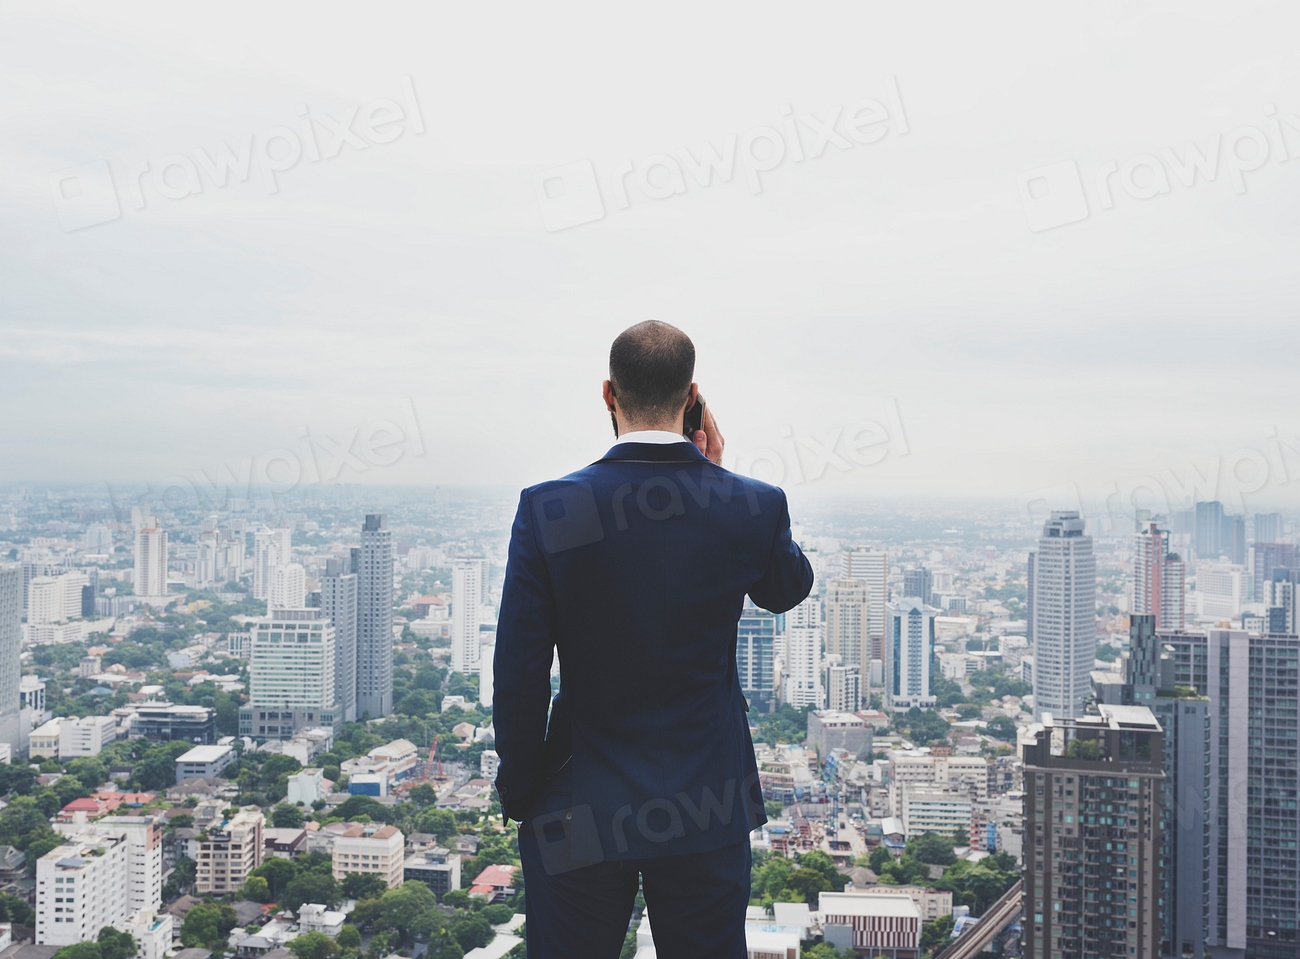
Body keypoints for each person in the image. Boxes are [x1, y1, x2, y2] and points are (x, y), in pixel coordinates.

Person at [493, 320, 814, 958]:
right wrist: (717, 476)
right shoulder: (750, 503)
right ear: (691, 396)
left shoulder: (549, 509)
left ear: (608, 393)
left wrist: (525, 793)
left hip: (579, 802)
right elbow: (786, 589)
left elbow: (519, 669)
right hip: (706, 802)